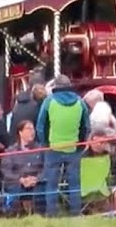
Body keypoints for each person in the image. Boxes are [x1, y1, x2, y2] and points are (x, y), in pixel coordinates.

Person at [36, 74, 91, 216]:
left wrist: (45, 143)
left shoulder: (49, 101)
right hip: (73, 148)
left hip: (53, 148)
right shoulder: (80, 102)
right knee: (74, 184)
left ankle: (51, 213)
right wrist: (80, 144)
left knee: (52, 184)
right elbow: (86, 126)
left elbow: (40, 126)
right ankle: (75, 213)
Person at [1, 119, 45, 214]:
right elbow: (6, 171)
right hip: (17, 182)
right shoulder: (11, 151)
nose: (32, 132)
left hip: (36, 182)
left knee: (41, 188)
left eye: (33, 129)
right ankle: (17, 212)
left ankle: (38, 212)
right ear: (20, 132)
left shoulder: (40, 149)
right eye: (28, 129)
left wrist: (36, 179)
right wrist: (21, 180)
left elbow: (46, 168)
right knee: (15, 189)